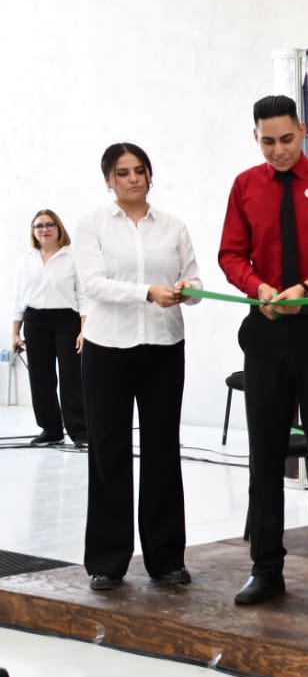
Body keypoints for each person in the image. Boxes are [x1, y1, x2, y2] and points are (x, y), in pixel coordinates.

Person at [219, 94, 308, 606]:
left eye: (287, 139)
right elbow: (230, 253)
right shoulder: (244, 186)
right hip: (267, 330)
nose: (278, 150)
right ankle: (265, 567)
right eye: (267, 141)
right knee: (266, 455)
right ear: (255, 136)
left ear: (303, 130)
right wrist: (257, 287)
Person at [74, 143, 200, 590]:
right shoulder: (92, 226)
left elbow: (197, 282)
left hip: (164, 344)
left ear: (151, 176)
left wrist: (187, 289)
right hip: (107, 347)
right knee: (108, 450)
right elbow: (91, 284)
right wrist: (147, 292)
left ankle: (166, 558)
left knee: (163, 448)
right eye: (122, 173)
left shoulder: (173, 226)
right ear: (109, 180)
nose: (133, 179)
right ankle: (107, 561)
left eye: (140, 170)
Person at [11, 209, 87, 448]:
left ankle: (80, 431)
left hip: (67, 320)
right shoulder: (26, 260)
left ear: (59, 228)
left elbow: (83, 296)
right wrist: (14, 332)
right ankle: (51, 430)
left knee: (71, 377)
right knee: (40, 377)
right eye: (39, 226)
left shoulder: (72, 257)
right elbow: (18, 298)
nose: (44, 229)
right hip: (35, 322)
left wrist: (84, 330)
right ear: (33, 231)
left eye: (50, 225)